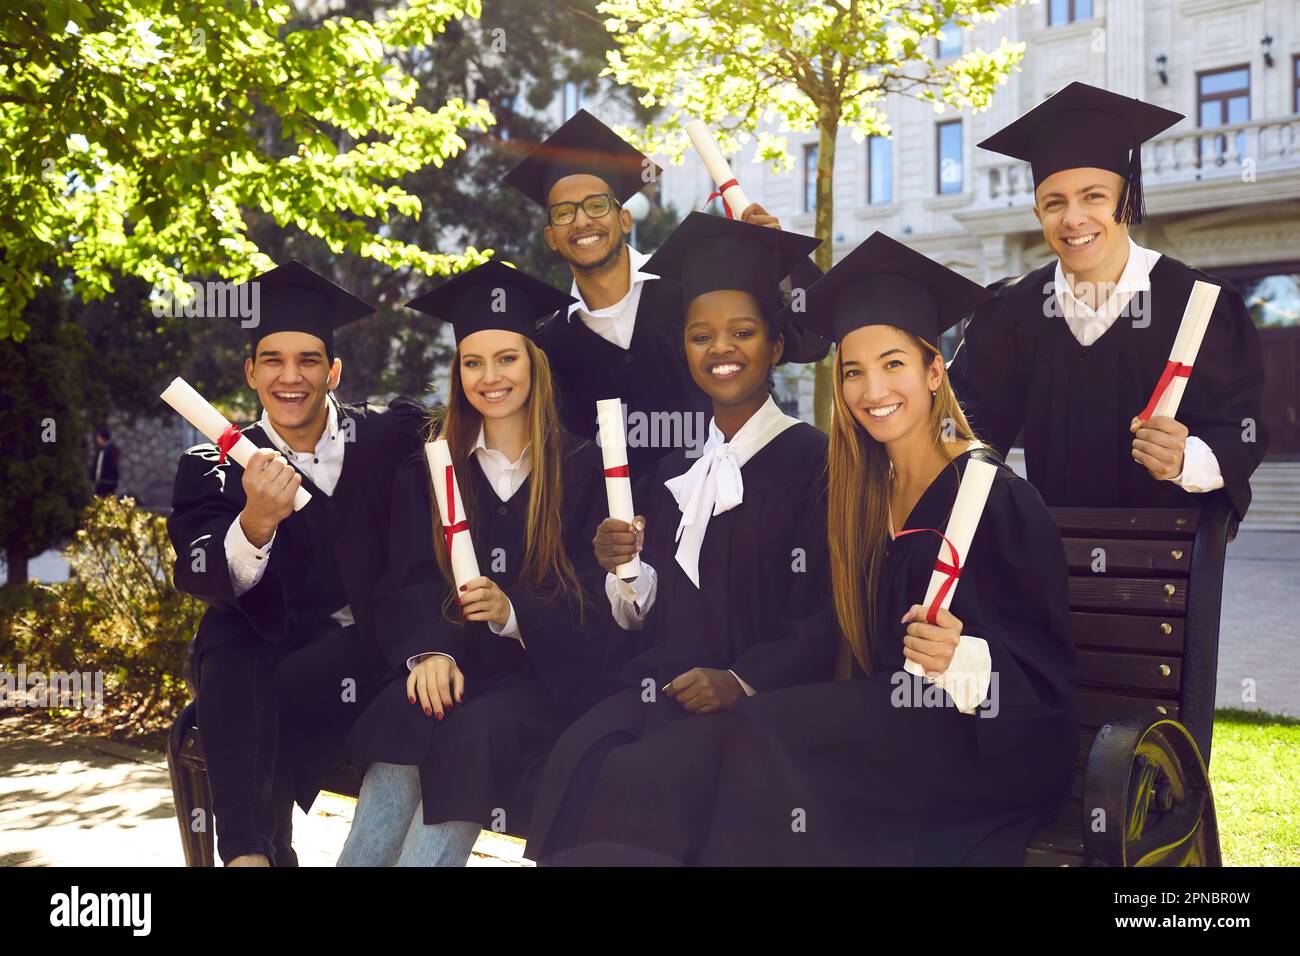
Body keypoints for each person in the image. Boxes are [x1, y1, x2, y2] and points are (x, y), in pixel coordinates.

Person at [693, 232, 1079, 866]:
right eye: (853, 371)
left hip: (982, 750)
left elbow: (1049, 692)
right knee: (750, 739)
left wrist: (967, 660)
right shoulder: (859, 495)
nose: (873, 390)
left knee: (769, 736)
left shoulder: (996, 500)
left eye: (894, 363)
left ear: (934, 371)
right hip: (885, 727)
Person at [523, 212, 838, 865]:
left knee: (645, 780)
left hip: (767, 709)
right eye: (701, 336)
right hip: (665, 692)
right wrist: (626, 572)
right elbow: (645, 615)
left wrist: (741, 680)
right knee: (580, 756)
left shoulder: (818, 464)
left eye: (742, 332)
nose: (720, 348)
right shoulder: (676, 469)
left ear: (775, 347)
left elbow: (828, 616)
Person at [339, 260, 619, 867]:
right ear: (457, 370)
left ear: (534, 364)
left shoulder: (581, 470)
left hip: (540, 679)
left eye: (506, 359)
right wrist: (429, 652)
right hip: (455, 664)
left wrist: (515, 611)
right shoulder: (433, 470)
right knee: (406, 716)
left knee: (474, 735)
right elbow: (408, 578)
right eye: (473, 362)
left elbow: (596, 593)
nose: (490, 377)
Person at [167, 261, 424, 866]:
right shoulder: (214, 466)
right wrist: (255, 520)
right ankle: (252, 855)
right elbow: (201, 569)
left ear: (333, 371)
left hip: (375, 662)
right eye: (273, 360)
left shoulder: (391, 438)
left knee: (233, 686)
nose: (291, 377)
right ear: (250, 371)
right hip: (279, 663)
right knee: (229, 635)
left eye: (309, 360)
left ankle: (252, 853)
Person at [949, 82, 1268, 517]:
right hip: (1048, 555)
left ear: (1127, 201)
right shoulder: (1010, 311)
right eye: (1055, 202)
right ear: (1038, 215)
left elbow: (1244, 430)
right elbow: (967, 428)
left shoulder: (1200, 303)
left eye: (1094, 196)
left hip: (1165, 561)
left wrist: (1184, 459)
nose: (1074, 218)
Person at [504, 110, 806, 473]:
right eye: (564, 213)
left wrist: (772, 261)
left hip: (732, 507)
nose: (582, 221)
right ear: (551, 237)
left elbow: (803, 342)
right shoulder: (549, 346)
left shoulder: (692, 291)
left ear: (624, 219)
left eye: (597, 206)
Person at [90, 427, 120, 496]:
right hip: (113, 482)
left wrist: (95, 479)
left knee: (100, 502)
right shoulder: (114, 449)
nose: (97, 439)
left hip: (103, 482)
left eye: (98, 437)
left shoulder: (104, 450)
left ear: (101, 437)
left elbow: (99, 467)